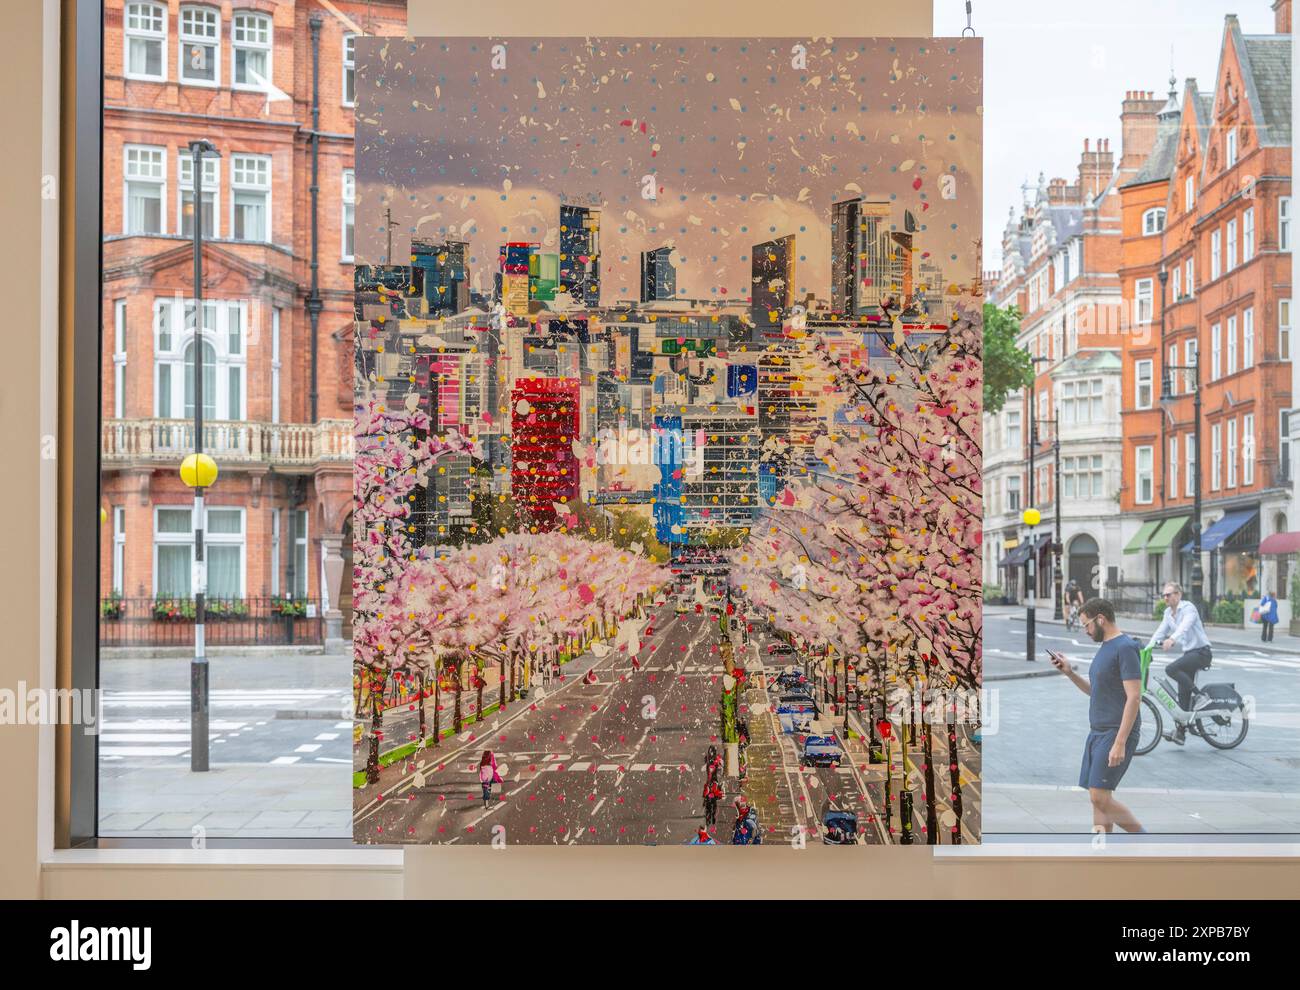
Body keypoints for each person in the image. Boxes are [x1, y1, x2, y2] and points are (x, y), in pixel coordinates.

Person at [1048, 598, 1146, 835]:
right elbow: (1096, 691)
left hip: (1115, 732)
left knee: (1099, 796)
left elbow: (1134, 697)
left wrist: (1120, 742)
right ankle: (1102, 848)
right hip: (1098, 731)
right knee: (1098, 797)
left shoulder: (1125, 647)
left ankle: (1144, 839)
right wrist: (1070, 673)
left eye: (1087, 625)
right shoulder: (1106, 648)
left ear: (1100, 619)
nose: (1086, 631)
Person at [1148, 582, 1213, 744]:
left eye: (1168, 595)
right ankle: (1181, 733)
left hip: (1202, 652)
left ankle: (1199, 696)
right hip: (1189, 654)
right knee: (1182, 698)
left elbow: (1184, 627)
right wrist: (1147, 647)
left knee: (1171, 669)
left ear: (1178, 595)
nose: (1165, 598)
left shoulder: (1188, 609)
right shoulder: (1168, 614)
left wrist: (1172, 639)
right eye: (1164, 595)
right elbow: (1160, 631)